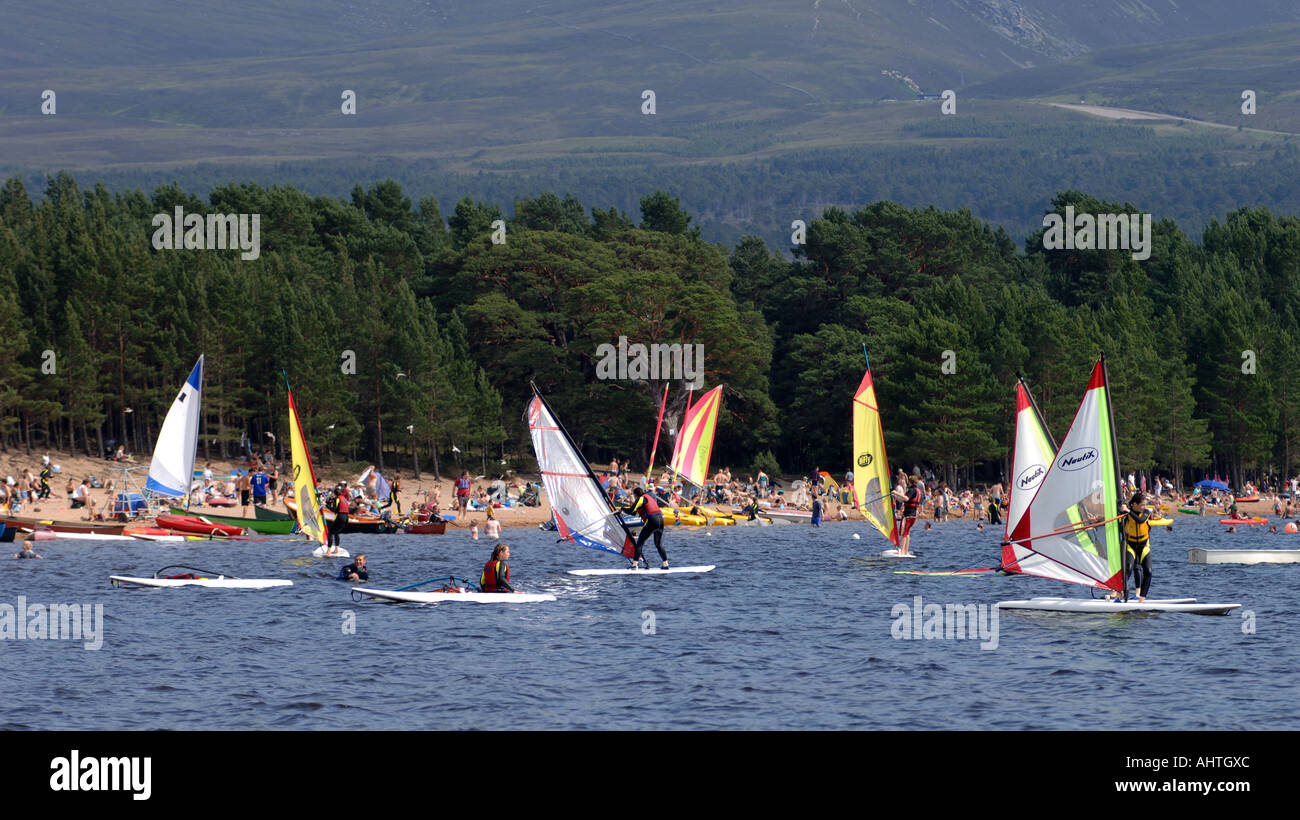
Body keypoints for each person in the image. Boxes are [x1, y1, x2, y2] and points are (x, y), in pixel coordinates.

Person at [621, 486, 668, 569]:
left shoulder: (641, 499)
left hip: (652, 520)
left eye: (634, 496)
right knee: (658, 544)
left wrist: (622, 509)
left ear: (636, 495)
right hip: (661, 520)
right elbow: (636, 513)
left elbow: (632, 510)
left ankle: (634, 565)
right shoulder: (649, 498)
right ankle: (665, 564)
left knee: (639, 543)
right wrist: (625, 510)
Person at [1123, 492, 1153, 602]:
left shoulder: (1146, 512)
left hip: (1144, 545)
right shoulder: (1126, 513)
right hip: (1130, 545)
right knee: (1128, 568)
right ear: (1135, 504)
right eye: (1142, 504)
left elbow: (1139, 520)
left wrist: (1128, 511)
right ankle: (1120, 593)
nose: (1145, 507)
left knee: (1148, 571)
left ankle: (1142, 598)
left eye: (1145, 504)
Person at [323, 483, 350, 555]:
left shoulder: (338, 499)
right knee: (336, 532)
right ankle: (336, 550)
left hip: (340, 517)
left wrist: (326, 506)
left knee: (330, 533)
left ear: (335, 493)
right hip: (346, 518)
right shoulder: (344, 499)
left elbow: (335, 510)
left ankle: (328, 552)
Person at [898, 476, 921, 556]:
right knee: (907, 533)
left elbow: (906, 498)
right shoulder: (918, 490)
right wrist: (896, 496)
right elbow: (905, 499)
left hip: (908, 515)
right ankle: (906, 551)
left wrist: (895, 492)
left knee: (904, 533)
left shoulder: (912, 490)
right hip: (913, 515)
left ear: (910, 482)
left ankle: (902, 552)